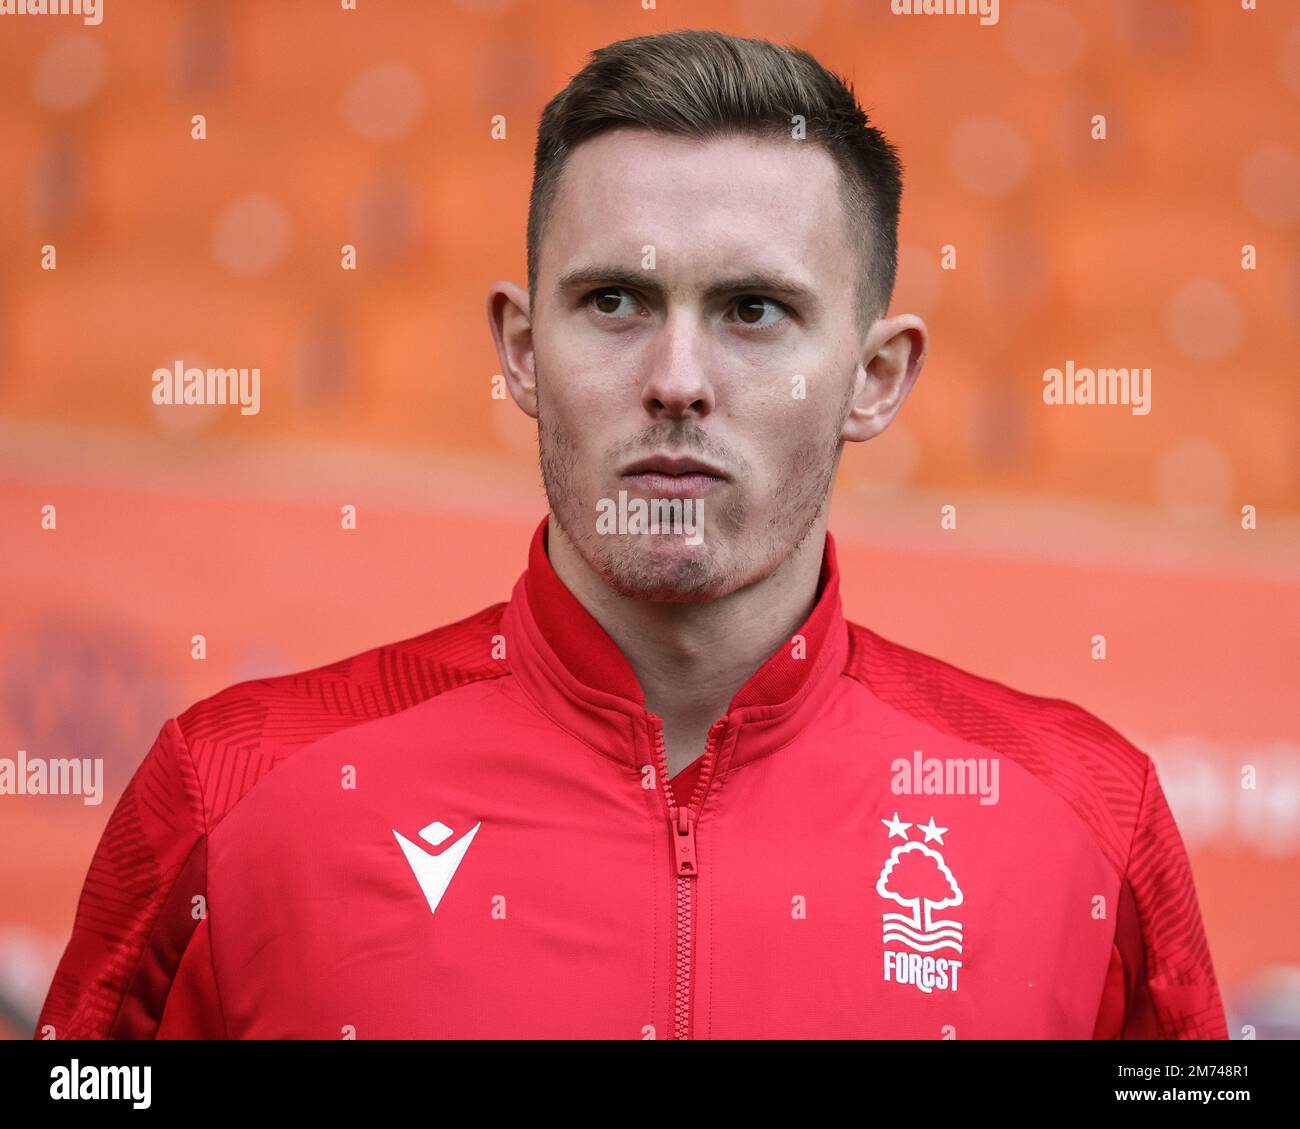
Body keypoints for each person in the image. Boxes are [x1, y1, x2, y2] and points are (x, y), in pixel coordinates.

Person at [36, 28, 1226, 1040]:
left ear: (873, 377)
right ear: (519, 347)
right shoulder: (234, 788)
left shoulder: (1087, 819)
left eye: (754, 311)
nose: (676, 379)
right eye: (615, 301)